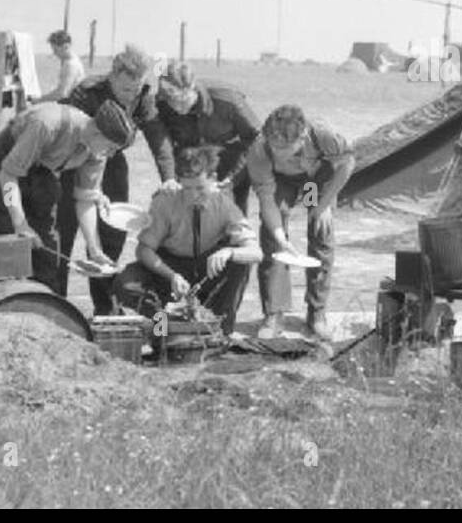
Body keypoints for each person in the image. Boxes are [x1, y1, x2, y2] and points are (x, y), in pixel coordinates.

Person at [57, 44, 177, 315]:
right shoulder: (86, 92)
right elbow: (68, 132)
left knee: (112, 232)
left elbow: (157, 136)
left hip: (111, 161)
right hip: (72, 161)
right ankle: (57, 303)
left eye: (135, 90)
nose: (130, 96)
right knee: (63, 231)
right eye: (124, 90)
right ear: (112, 78)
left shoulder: (143, 95)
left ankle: (104, 306)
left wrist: (168, 178)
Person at [0, 99, 135, 293]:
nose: (110, 155)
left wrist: (94, 249)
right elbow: (8, 175)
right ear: (97, 132)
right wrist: (20, 223)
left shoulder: (97, 151)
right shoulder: (47, 123)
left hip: (42, 173)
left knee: (47, 254)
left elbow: (85, 198)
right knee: (8, 247)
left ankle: (44, 309)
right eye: (110, 147)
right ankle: (3, 306)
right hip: (3, 167)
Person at [112, 145, 262, 335]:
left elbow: (256, 252)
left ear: (213, 179)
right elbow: (144, 250)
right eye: (187, 188)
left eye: (200, 188)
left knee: (240, 263)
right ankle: (165, 328)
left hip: (207, 268)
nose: (192, 195)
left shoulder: (225, 204)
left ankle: (220, 330)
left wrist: (229, 252)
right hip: (170, 265)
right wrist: (171, 275)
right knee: (124, 285)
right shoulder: (165, 201)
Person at [245, 105, 355, 340]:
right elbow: (267, 199)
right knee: (273, 237)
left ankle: (317, 313)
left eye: (285, 147)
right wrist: (279, 236)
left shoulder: (322, 134)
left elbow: (347, 164)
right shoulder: (259, 149)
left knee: (320, 230)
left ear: (302, 136)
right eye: (274, 147)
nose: (279, 152)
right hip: (281, 181)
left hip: (313, 180)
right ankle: (273, 313)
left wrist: (323, 204)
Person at [151, 62, 262, 215]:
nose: (178, 108)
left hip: (231, 161)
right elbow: (162, 143)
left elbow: (257, 140)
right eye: (172, 103)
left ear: (193, 88)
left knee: (231, 217)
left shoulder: (228, 100)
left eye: (183, 100)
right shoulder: (161, 104)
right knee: (186, 215)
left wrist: (232, 178)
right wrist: (168, 178)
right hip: (189, 162)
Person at [31, 30, 86, 103]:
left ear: (65, 46)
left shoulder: (71, 64)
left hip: (73, 105)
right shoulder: (70, 61)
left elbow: (62, 94)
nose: (54, 53)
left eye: (56, 50)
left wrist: (39, 99)